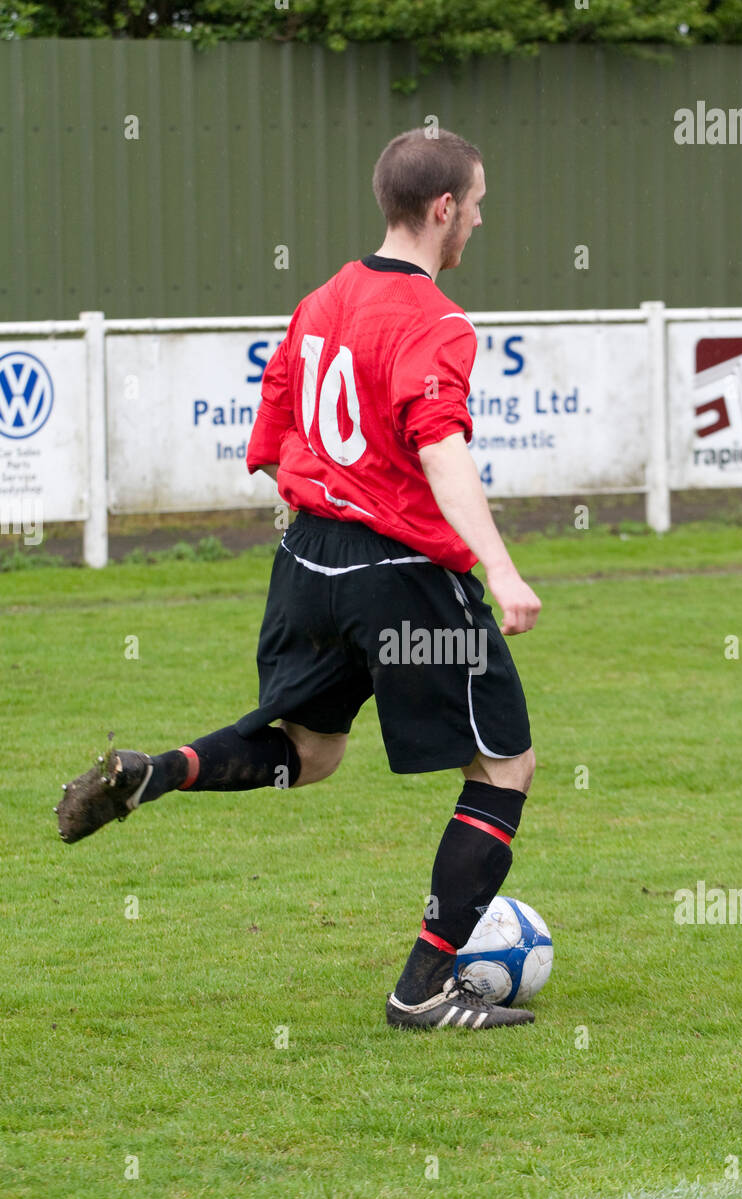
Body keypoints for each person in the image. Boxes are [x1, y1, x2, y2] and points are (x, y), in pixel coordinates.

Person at [56, 128, 542, 1030]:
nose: (479, 216)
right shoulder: (437, 321)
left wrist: (321, 507)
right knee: (505, 763)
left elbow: (275, 430)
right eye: (476, 202)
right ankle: (424, 989)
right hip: (398, 575)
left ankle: (154, 772)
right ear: (444, 210)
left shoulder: (322, 300)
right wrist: (502, 569)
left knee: (311, 755)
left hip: (309, 557)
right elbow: (442, 447)